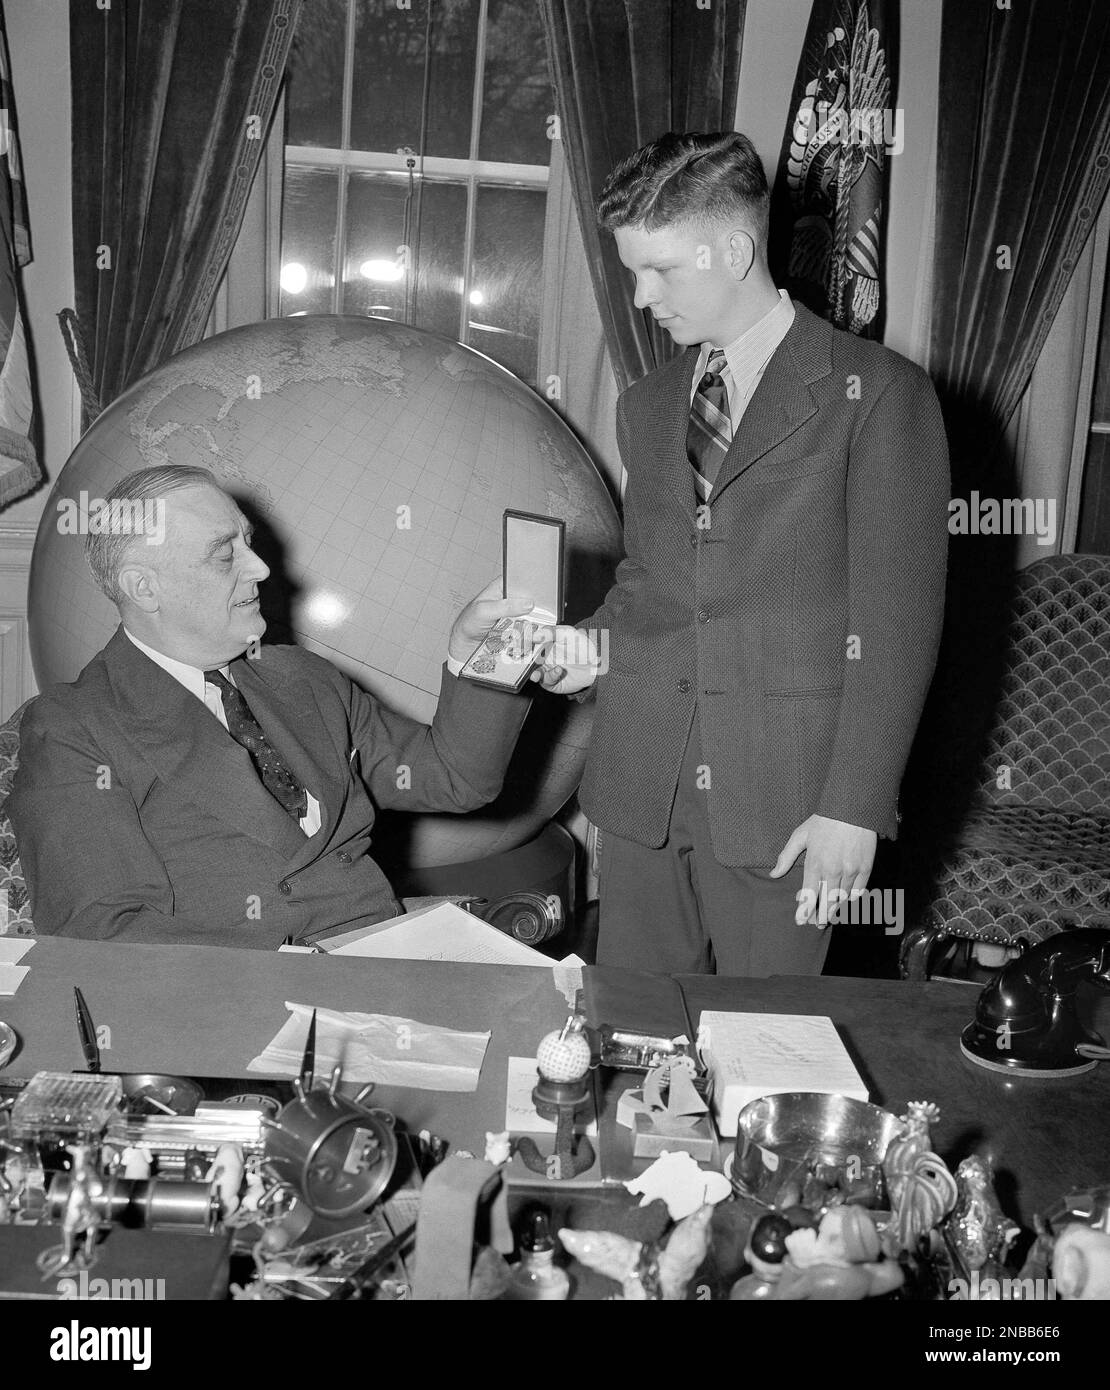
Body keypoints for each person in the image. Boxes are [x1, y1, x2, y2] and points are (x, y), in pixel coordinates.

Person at [541, 131, 950, 976]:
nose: (644, 296)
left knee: (766, 1048)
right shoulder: (649, 403)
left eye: (662, 270)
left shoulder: (876, 393)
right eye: (632, 272)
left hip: (787, 798)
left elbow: (898, 624)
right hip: (641, 780)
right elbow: (651, 578)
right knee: (636, 1035)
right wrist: (591, 646)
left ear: (734, 248)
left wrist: (855, 806)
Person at [10, 464, 542, 948]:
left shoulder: (302, 679)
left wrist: (484, 658)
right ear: (144, 588)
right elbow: (104, 937)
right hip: (239, 1007)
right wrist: (304, 971)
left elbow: (456, 777)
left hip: (384, 959)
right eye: (226, 554)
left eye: (249, 541)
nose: (261, 568)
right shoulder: (72, 729)